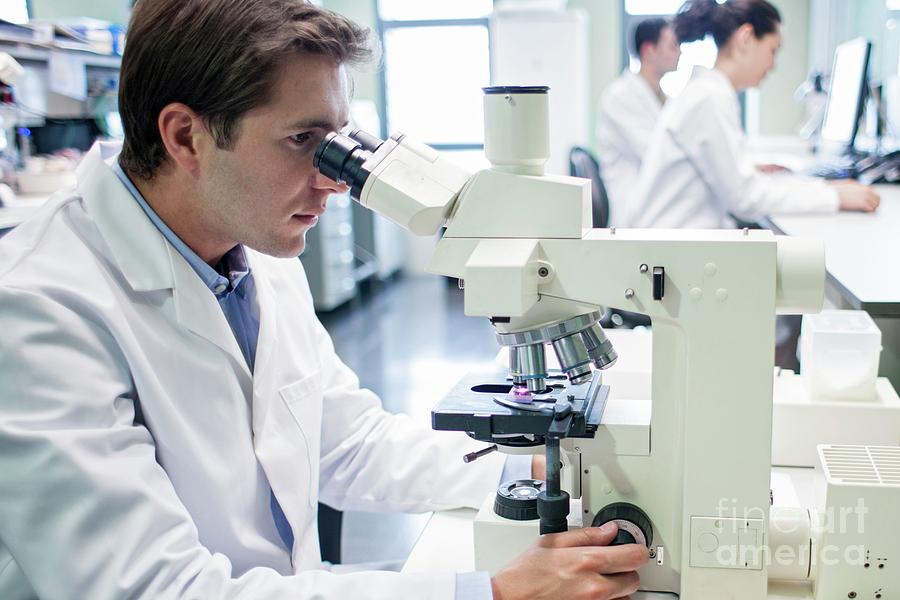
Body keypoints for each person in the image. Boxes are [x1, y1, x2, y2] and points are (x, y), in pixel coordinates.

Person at [0, 1, 647, 599]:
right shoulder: (39, 309)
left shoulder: (253, 244)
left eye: (340, 141)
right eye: (304, 140)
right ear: (185, 137)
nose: (335, 181)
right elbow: (154, 589)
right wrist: (490, 592)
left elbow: (348, 445)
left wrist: (544, 465)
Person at [628, 0, 880, 229]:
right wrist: (833, 196)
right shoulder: (708, 98)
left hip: (674, 244)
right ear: (746, 37)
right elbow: (744, 197)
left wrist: (822, 187)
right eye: (772, 50)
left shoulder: (709, 92)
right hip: (669, 257)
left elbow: (734, 178)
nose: (773, 65)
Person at [596, 17, 681, 226]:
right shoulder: (620, 96)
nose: (680, 52)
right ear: (648, 50)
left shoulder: (661, 97)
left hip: (654, 199)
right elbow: (656, 153)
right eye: (673, 46)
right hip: (632, 206)